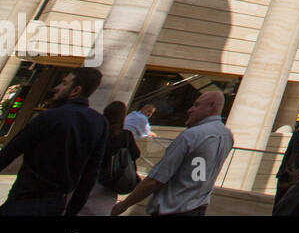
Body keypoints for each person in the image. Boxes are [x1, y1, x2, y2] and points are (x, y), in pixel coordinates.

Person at [0, 66, 108, 216]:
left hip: (24, 200)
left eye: (64, 83)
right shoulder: (100, 123)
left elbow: (10, 152)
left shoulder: (50, 117)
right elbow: (90, 173)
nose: (57, 87)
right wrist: (72, 211)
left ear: (75, 90)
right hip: (55, 205)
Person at [112, 89, 234, 217]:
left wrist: (123, 205)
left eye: (197, 105)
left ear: (212, 106)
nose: (190, 110)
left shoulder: (192, 135)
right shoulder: (227, 136)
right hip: (197, 208)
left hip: (173, 209)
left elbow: (155, 180)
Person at [80, 101, 140, 216]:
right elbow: (136, 154)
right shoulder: (125, 135)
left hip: (88, 176)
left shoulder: (97, 130)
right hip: (111, 180)